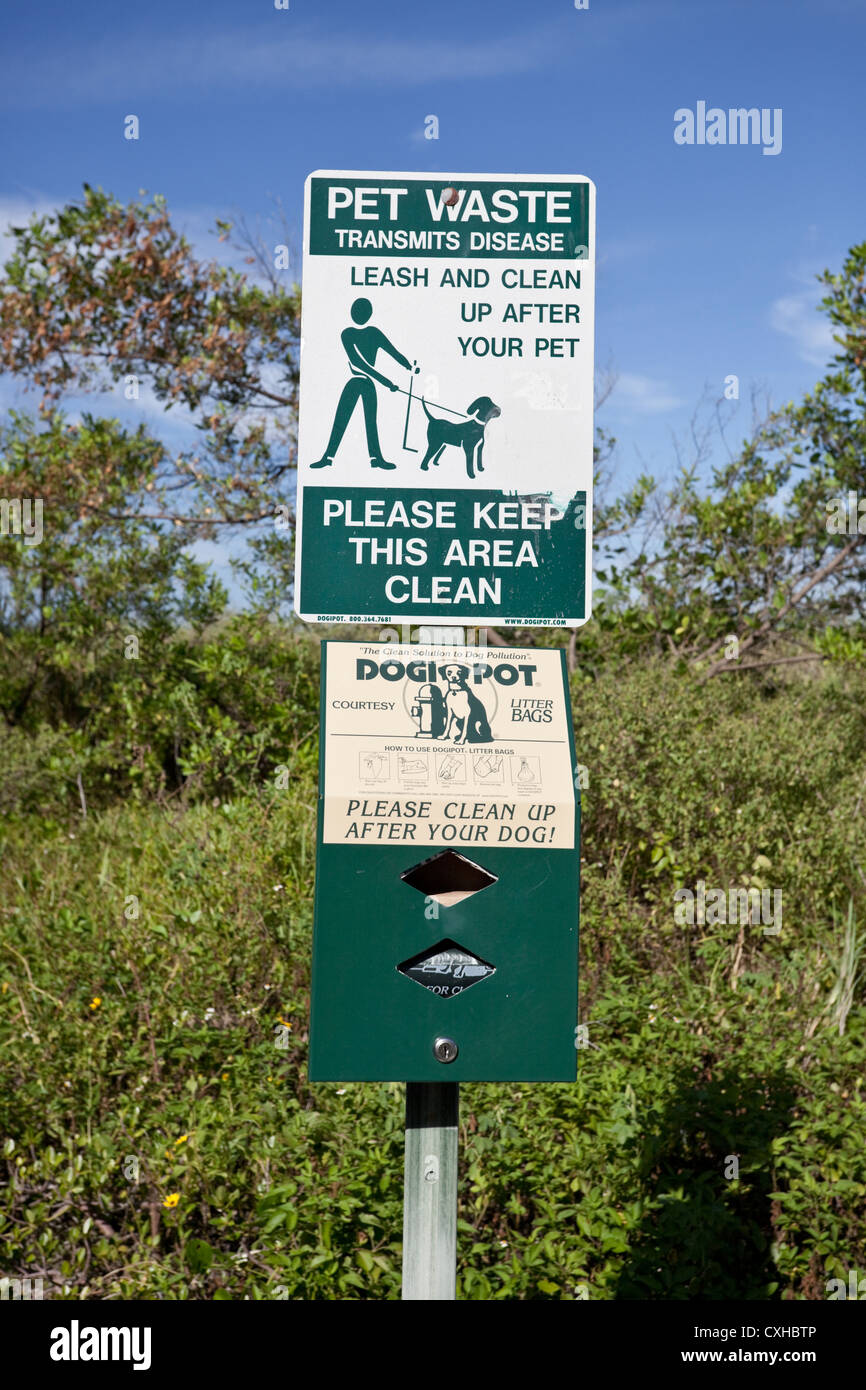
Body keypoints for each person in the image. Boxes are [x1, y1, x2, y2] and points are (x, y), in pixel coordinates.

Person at [311, 298, 415, 470]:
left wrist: (409, 367)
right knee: (340, 420)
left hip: (368, 385)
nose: (358, 314)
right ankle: (327, 457)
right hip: (355, 382)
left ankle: (376, 459)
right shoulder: (347, 334)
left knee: (370, 422)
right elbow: (358, 363)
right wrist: (387, 382)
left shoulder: (374, 333)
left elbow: (394, 352)